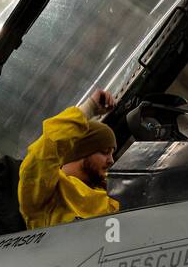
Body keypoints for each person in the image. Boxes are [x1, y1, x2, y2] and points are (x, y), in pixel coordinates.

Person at [17, 88, 120, 230]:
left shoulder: (110, 197)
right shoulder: (46, 193)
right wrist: (89, 108)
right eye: (104, 152)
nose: (111, 161)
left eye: (112, 154)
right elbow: (48, 148)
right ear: (82, 152)